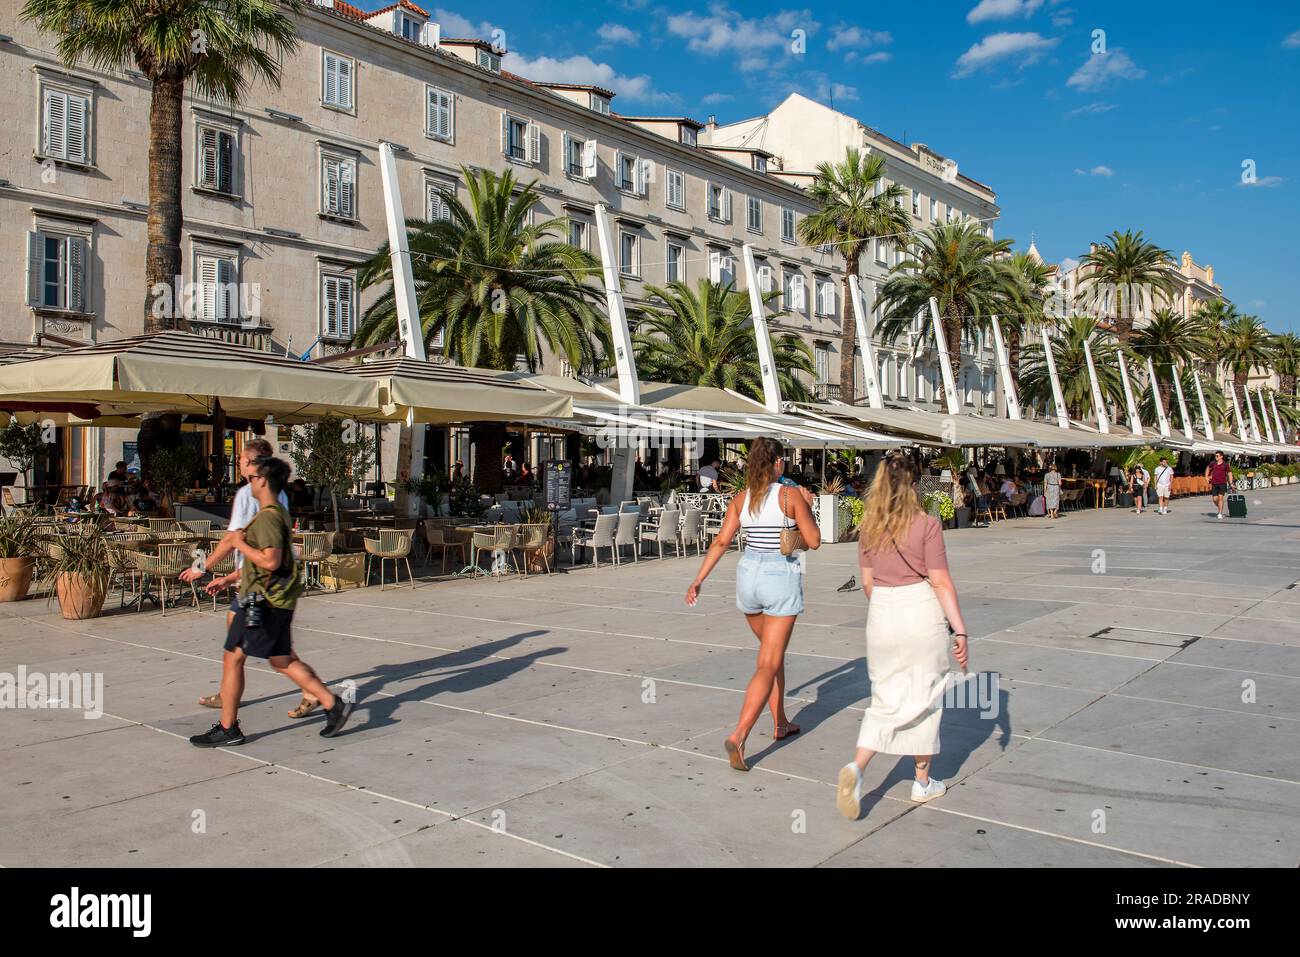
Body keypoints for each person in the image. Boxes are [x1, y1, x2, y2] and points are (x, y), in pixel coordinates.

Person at [837, 453, 970, 819]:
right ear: (914, 485)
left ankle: (857, 768)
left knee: (885, 698)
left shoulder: (868, 527)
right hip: (919, 610)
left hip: (881, 612)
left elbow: (867, 584)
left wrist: (889, 606)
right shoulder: (926, 524)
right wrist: (960, 629)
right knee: (925, 696)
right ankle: (922, 782)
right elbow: (940, 581)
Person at [188, 456, 354, 747]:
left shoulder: (267, 517)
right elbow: (270, 561)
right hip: (274, 599)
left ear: (263, 481)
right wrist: (231, 578)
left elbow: (271, 561)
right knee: (280, 659)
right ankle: (332, 703)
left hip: (262, 601)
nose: (249, 482)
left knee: (234, 657)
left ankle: (228, 728)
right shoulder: (278, 513)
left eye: (252, 478)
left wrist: (239, 544)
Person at [685, 437, 821, 772]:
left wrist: (698, 579)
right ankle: (740, 735)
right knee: (767, 662)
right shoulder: (790, 495)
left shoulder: (741, 498)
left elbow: (721, 541)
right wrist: (807, 504)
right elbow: (814, 541)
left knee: (772, 656)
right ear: (777, 463)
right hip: (778, 577)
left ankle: (780, 721)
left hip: (749, 578)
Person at [180, 440, 305, 716]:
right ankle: (228, 694)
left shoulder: (249, 492)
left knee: (259, 651)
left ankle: (315, 693)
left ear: (250, 462)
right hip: (259, 580)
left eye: (240, 458)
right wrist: (231, 577)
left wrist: (201, 566)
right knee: (252, 647)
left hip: (257, 584)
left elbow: (231, 539)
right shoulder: (278, 493)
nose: (237, 463)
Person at [1205, 451, 1234, 520]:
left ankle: (1220, 513)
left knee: (1220, 498)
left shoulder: (1225, 464)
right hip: (1214, 483)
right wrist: (1206, 477)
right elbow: (1208, 468)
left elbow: (1229, 473)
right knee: (1215, 499)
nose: (1216, 457)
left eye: (1217, 456)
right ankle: (1220, 507)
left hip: (1222, 483)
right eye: (1215, 456)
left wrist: (1231, 483)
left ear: (1221, 457)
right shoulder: (1213, 463)